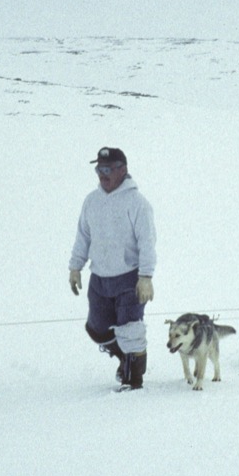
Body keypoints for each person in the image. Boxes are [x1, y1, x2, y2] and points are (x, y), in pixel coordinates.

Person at [69, 147, 157, 391]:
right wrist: (76, 267)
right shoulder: (92, 201)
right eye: (99, 169)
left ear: (122, 170)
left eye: (107, 169)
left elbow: (147, 243)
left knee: (130, 329)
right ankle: (125, 357)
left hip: (129, 278)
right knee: (96, 328)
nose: (102, 174)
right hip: (99, 278)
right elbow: (83, 236)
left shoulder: (138, 203)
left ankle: (133, 380)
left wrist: (146, 277)